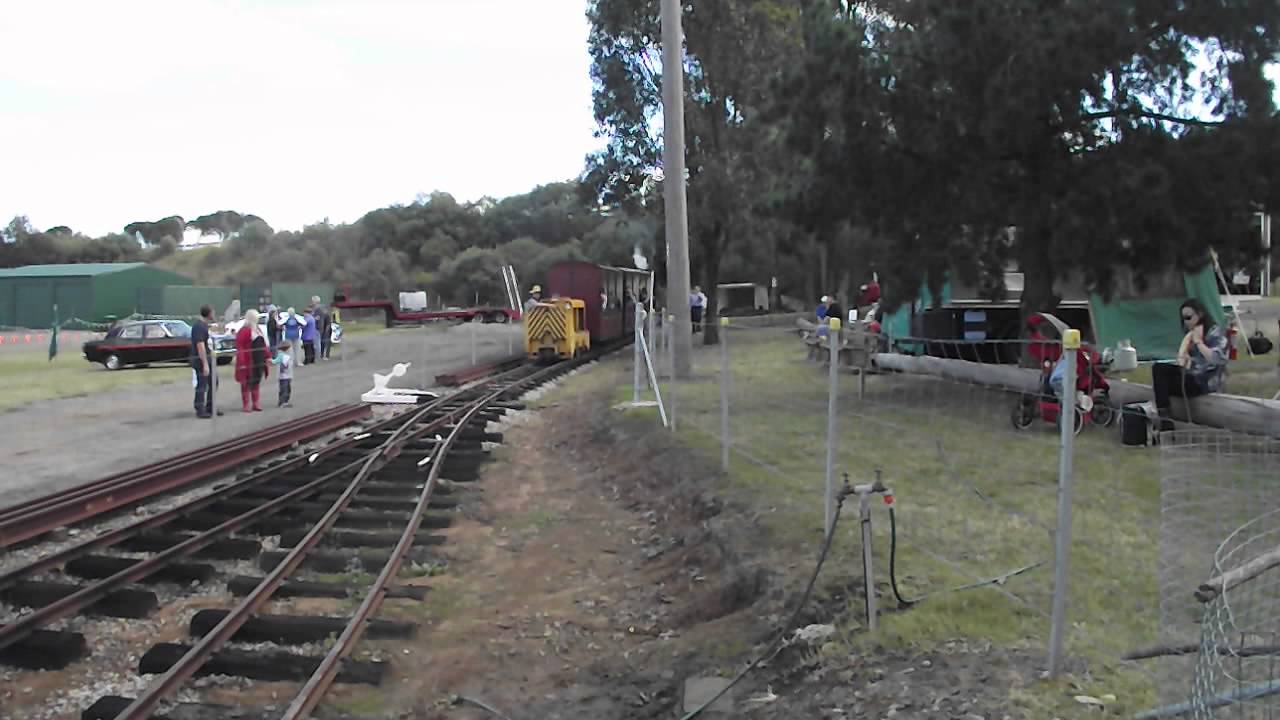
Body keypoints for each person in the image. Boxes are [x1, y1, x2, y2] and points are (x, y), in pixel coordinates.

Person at [1152, 298, 1229, 432]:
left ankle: (1166, 422)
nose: (1186, 322)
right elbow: (1187, 361)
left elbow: (1216, 359)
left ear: (1200, 315)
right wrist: (1187, 358)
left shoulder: (1215, 334)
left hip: (1204, 381)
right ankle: (1165, 419)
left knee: (1163, 383)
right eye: (1183, 319)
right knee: (1159, 369)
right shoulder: (1190, 334)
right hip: (1190, 376)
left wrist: (1199, 342)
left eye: (1189, 317)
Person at [234, 309, 269, 412]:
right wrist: (242, 362)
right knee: (246, 383)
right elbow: (240, 348)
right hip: (248, 361)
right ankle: (246, 404)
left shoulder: (258, 330)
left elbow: (264, 345)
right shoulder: (243, 331)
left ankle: (255, 403)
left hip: (259, 360)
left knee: (256, 382)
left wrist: (268, 356)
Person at [191, 304, 215, 419]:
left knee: (213, 382)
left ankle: (211, 407)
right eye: (213, 312)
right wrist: (205, 364)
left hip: (209, 359)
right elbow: (200, 346)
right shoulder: (199, 327)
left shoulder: (204, 326)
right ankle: (200, 408)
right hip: (201, 360)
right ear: (209, 313)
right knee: (202, 384)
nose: (214, 314)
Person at [273, 339, 293, 408]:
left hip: (286, 376)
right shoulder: (283, 356)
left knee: (286, 389)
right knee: (284, 389)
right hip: (284, 376)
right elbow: (283, 366)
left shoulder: (285, 356)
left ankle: (284, 401)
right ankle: (283, 402)